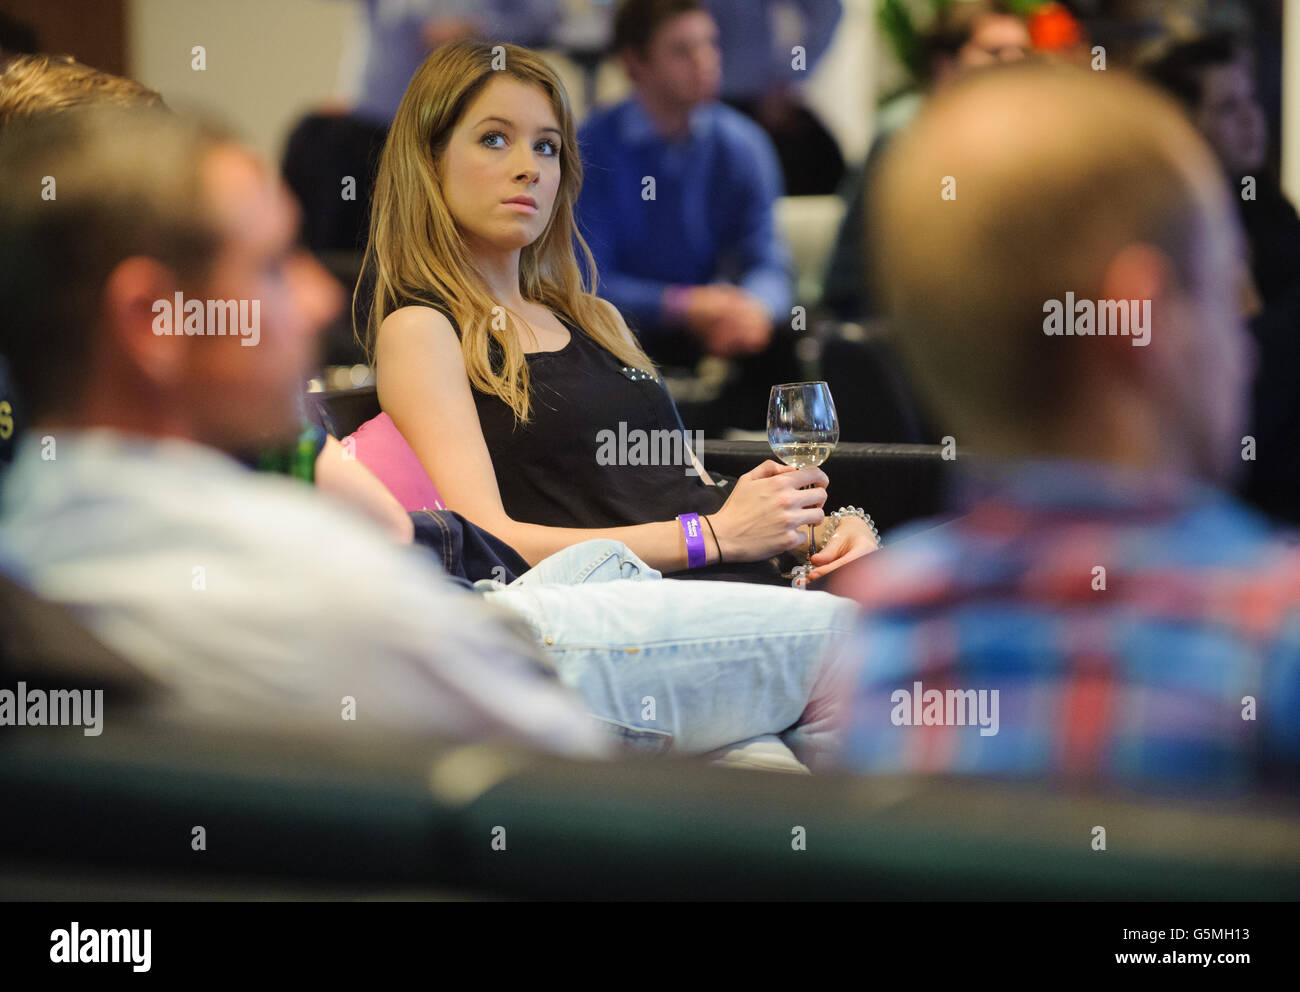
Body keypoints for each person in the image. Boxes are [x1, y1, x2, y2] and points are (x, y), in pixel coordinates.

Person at [0, 106, 864, 771]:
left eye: (548, 144)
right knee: (846, 644)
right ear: (155, 322)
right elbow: (557, 745)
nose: (312, 299)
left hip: (534, 592)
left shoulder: (39, 538)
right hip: (498, 622)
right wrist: (711, 536)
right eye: (270, 265)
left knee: (749, 728)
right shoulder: (316, 585)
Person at [829, 61, 1298, 794]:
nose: (1244, 342)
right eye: (1223, 288)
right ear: (1140, 319)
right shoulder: (1274, 627)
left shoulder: (881, 632)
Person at [364, 39, 879, 587]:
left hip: (743, 587)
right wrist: (712, 536)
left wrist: (822, 532)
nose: (528, 168)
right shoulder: (423, 329)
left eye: (547, 147)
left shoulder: (594, 317)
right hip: (645, 620)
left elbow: (689, 485)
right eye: (494, 139)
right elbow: (487, 541)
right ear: (428, 161)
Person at [574, 0, 792, 366]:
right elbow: (585, 283)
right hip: (622, 340)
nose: (705, 60)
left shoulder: (743, 144)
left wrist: (756, 307)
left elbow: (769, 260)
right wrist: (683, 305)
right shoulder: (591, 148)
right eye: (682, 50)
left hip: (724, 332)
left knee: (791, 346)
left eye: (710, 44)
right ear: (634, 64)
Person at [1143, 33, 1300, 525]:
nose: (1252, 118)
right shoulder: (1183, 222)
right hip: (1243, 456)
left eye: (1251, 99)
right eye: (1228, 106)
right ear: (1184, 124)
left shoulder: (1266, 205)